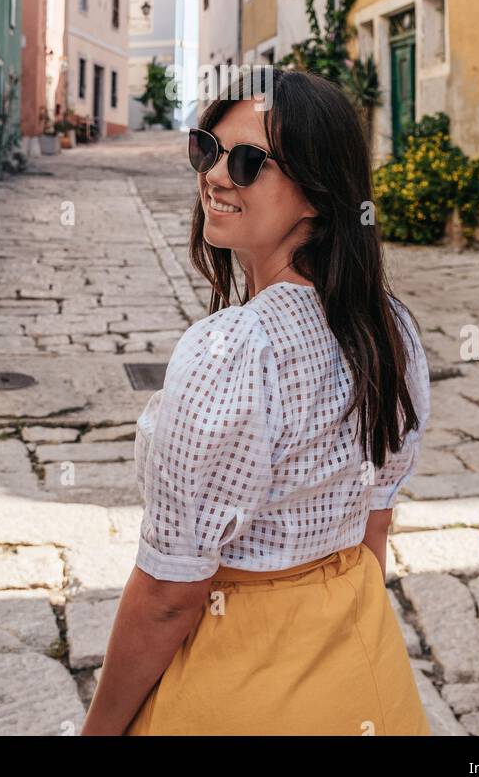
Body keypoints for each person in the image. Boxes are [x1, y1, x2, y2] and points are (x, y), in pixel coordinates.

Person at [81, 68, 431, 737]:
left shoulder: (234, 350)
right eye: (206, 149)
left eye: (248, 162)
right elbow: (372, 530)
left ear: (317, 194)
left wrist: (98, 731)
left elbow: (167, 597)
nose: (215, 175)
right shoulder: (392, 331)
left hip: (239, 680)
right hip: (362, 674)